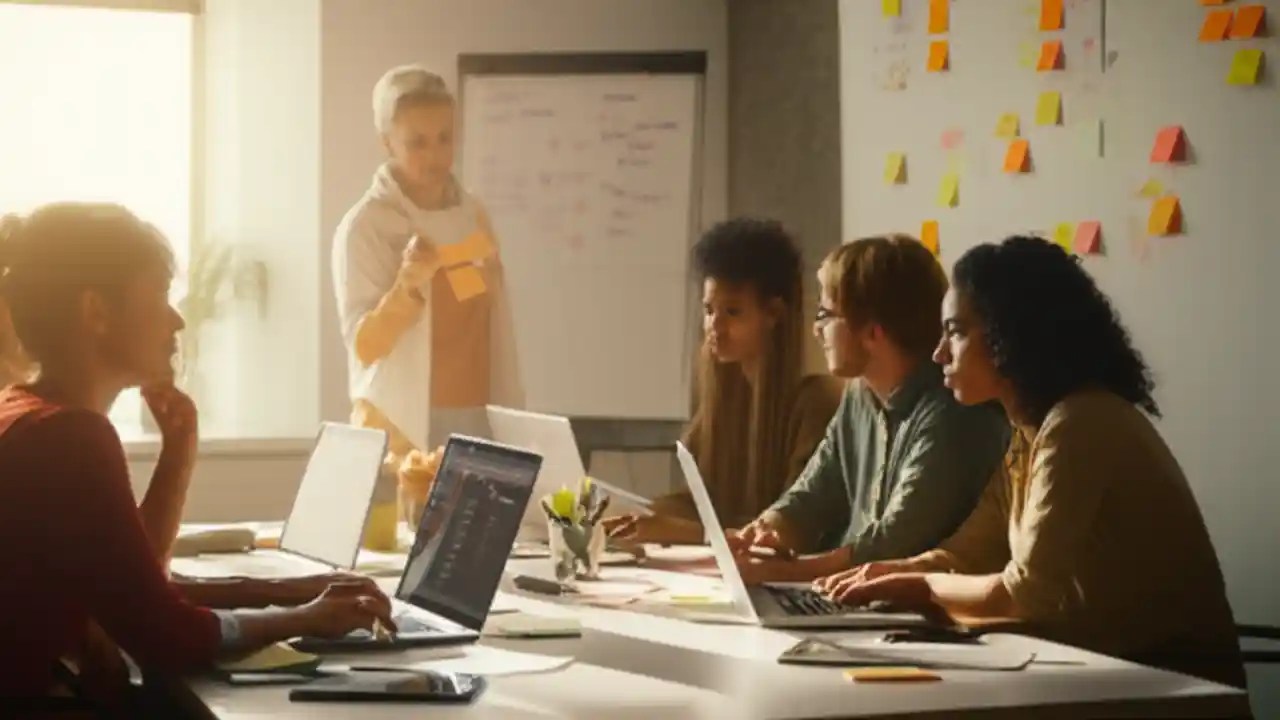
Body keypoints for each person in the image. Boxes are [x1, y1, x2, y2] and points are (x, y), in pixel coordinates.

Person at [0, 204, 396, 711]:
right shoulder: (69, 436)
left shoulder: (26, 412)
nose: (177, 319)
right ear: (96, 312)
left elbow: (136, 585)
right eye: (161, 296)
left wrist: (299, 591)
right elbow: (163, 632)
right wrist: (306, 618)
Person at [817, 236, 1244, 688]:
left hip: (1166, 691)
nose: (939, 352)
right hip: (1097, 674)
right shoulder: (1029, 433)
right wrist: (896, 570)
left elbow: (1025, 593)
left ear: (1011, 335)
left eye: (956, 332)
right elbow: (968, 550)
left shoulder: (1079, 423)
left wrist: (922, 585)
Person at [729, 235, 1010, 585]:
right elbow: (814, 494)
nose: (818, 330)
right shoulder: (859, 395)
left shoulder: (956, 410)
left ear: (873, 332)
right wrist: (763, 532)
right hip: (853, 595)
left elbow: (896, 541)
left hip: (917, 613)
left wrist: (789, 572)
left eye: (826, 315)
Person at [604, 219, 844, 544]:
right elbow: (700, 502)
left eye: (732, 312)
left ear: (773, 314)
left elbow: (793, 527)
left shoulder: (816, 401)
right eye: (708, 310)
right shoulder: (727, 394)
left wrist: (688, 533)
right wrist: (630, 514)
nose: (714, 327)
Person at [332, 64, 522, 470]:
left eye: (445, 138)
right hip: (402, 428)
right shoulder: (367, 226)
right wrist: (407, 286)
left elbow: (481, 313)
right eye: (417, 142)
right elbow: (364, 346)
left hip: (476, 420)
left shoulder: (473, 215)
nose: (435, 155)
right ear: (387, 143)